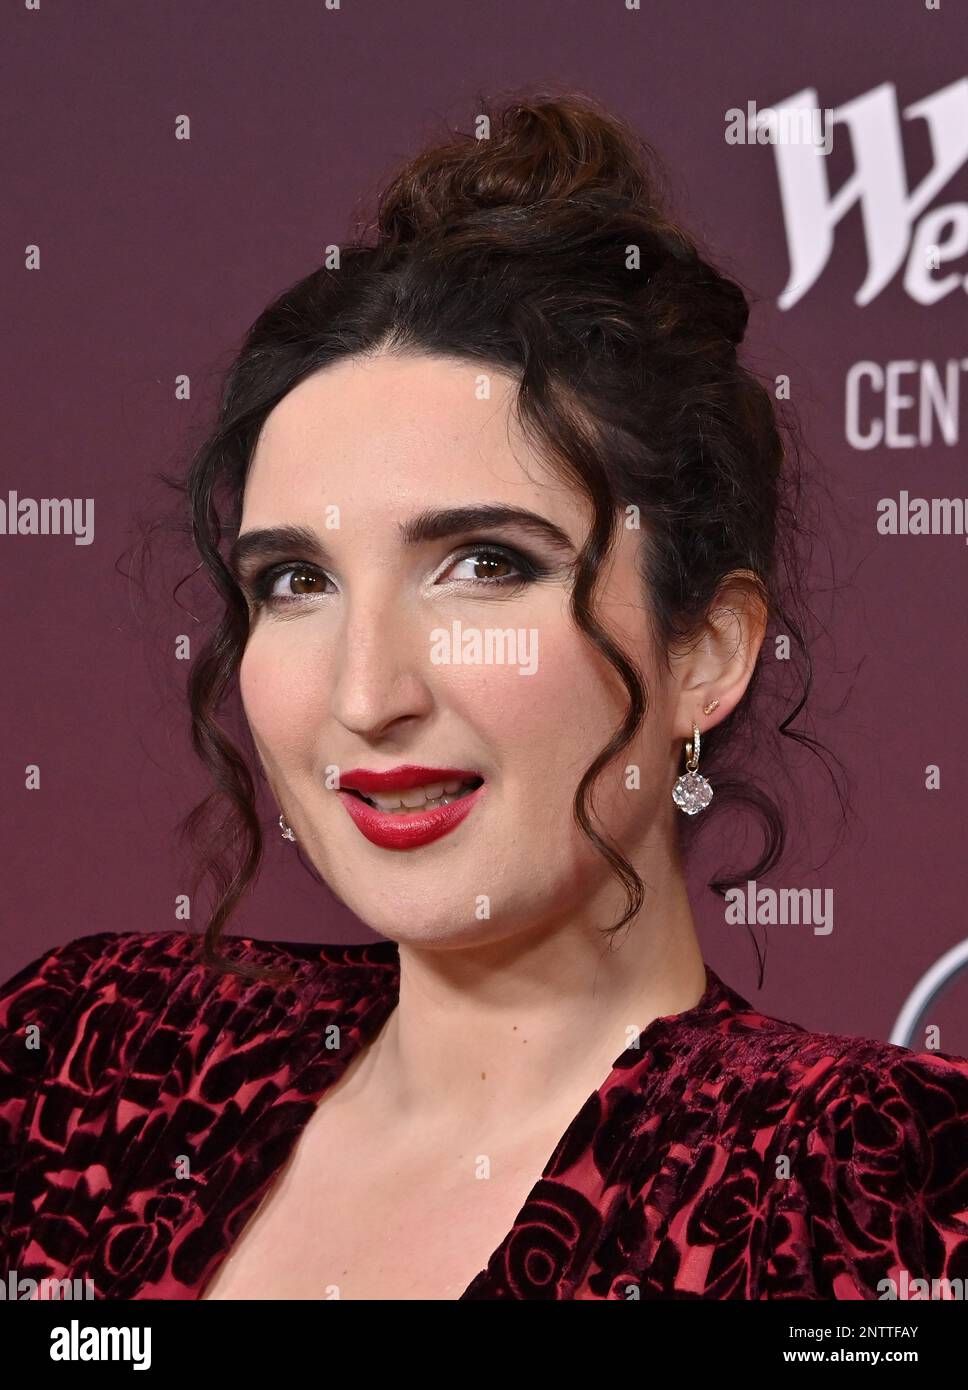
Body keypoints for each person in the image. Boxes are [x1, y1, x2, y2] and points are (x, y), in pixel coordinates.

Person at [2, 92, 967, 1302]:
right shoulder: (90, 1066)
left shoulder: (868, 1191)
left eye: (484, 566)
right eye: (294, 580)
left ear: (707, 652)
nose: (367, 694)